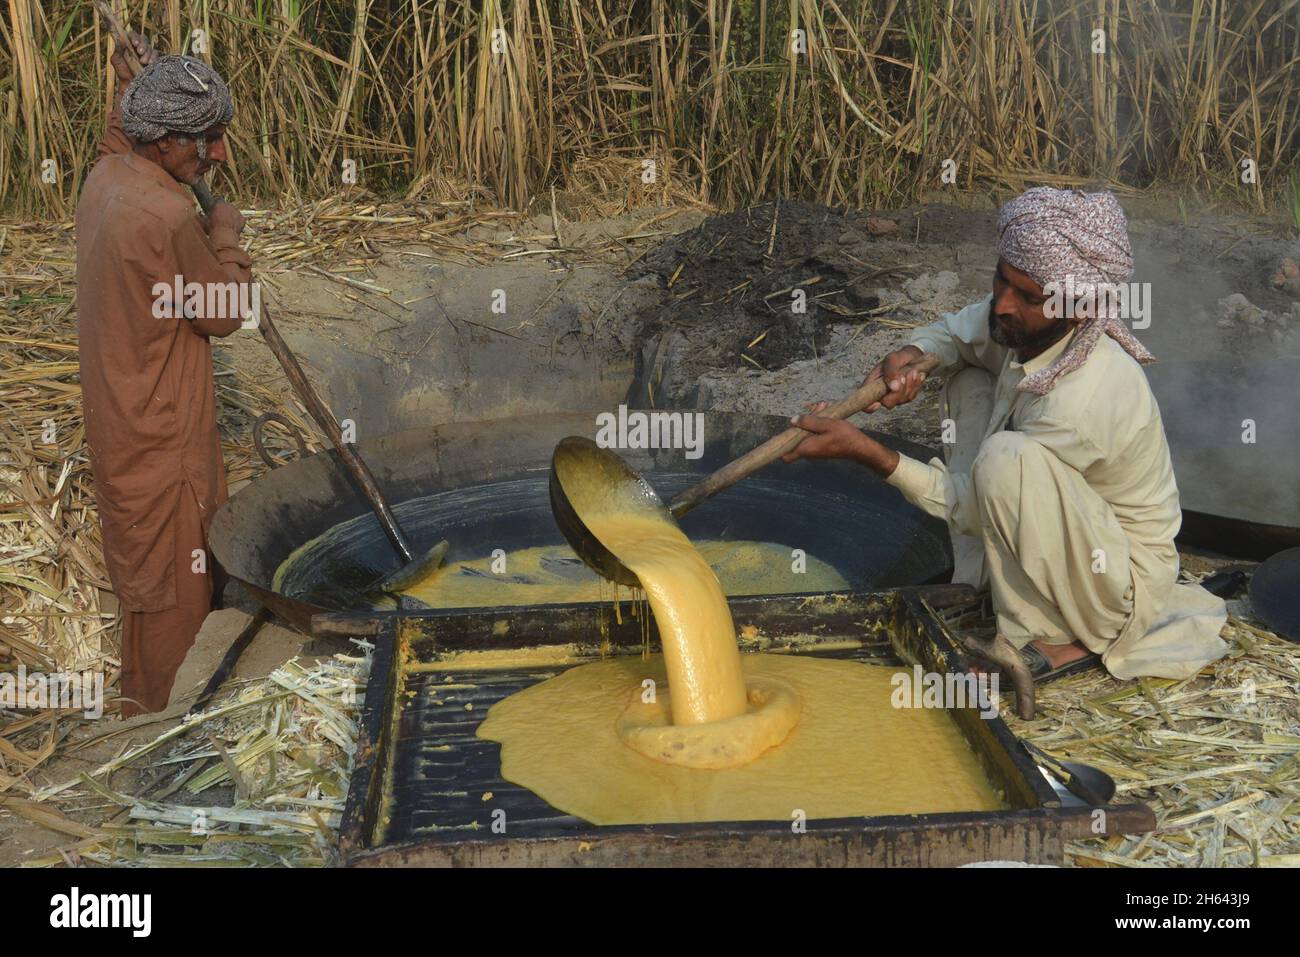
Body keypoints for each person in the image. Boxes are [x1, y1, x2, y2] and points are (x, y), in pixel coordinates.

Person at [784, 187, 1228, 682]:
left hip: (1114, 582)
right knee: (969, 375)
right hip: (1066, 532)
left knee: (1004, 460)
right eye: (1001, 279)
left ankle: (1061, 638)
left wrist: (867, 452)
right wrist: (913, 355)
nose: (1002, 305)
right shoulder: (1029, 324)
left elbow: (971, 508)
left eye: (1027, 297)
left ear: (1078, 307)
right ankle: (980, 583)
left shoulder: (1084, 398)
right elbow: (956, 334)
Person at [76, 35, 252, 716]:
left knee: (145, 577)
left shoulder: (107, 180)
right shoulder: (169, 214)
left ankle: (142, 695)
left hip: (123, 424)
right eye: (207, 141)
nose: (218, 157)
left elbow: (115, 139)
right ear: (165, 142)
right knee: (175, 587)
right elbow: (226, 310)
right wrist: (228, 235)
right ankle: (165, 722)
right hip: (165, 440)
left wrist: (130, 82)